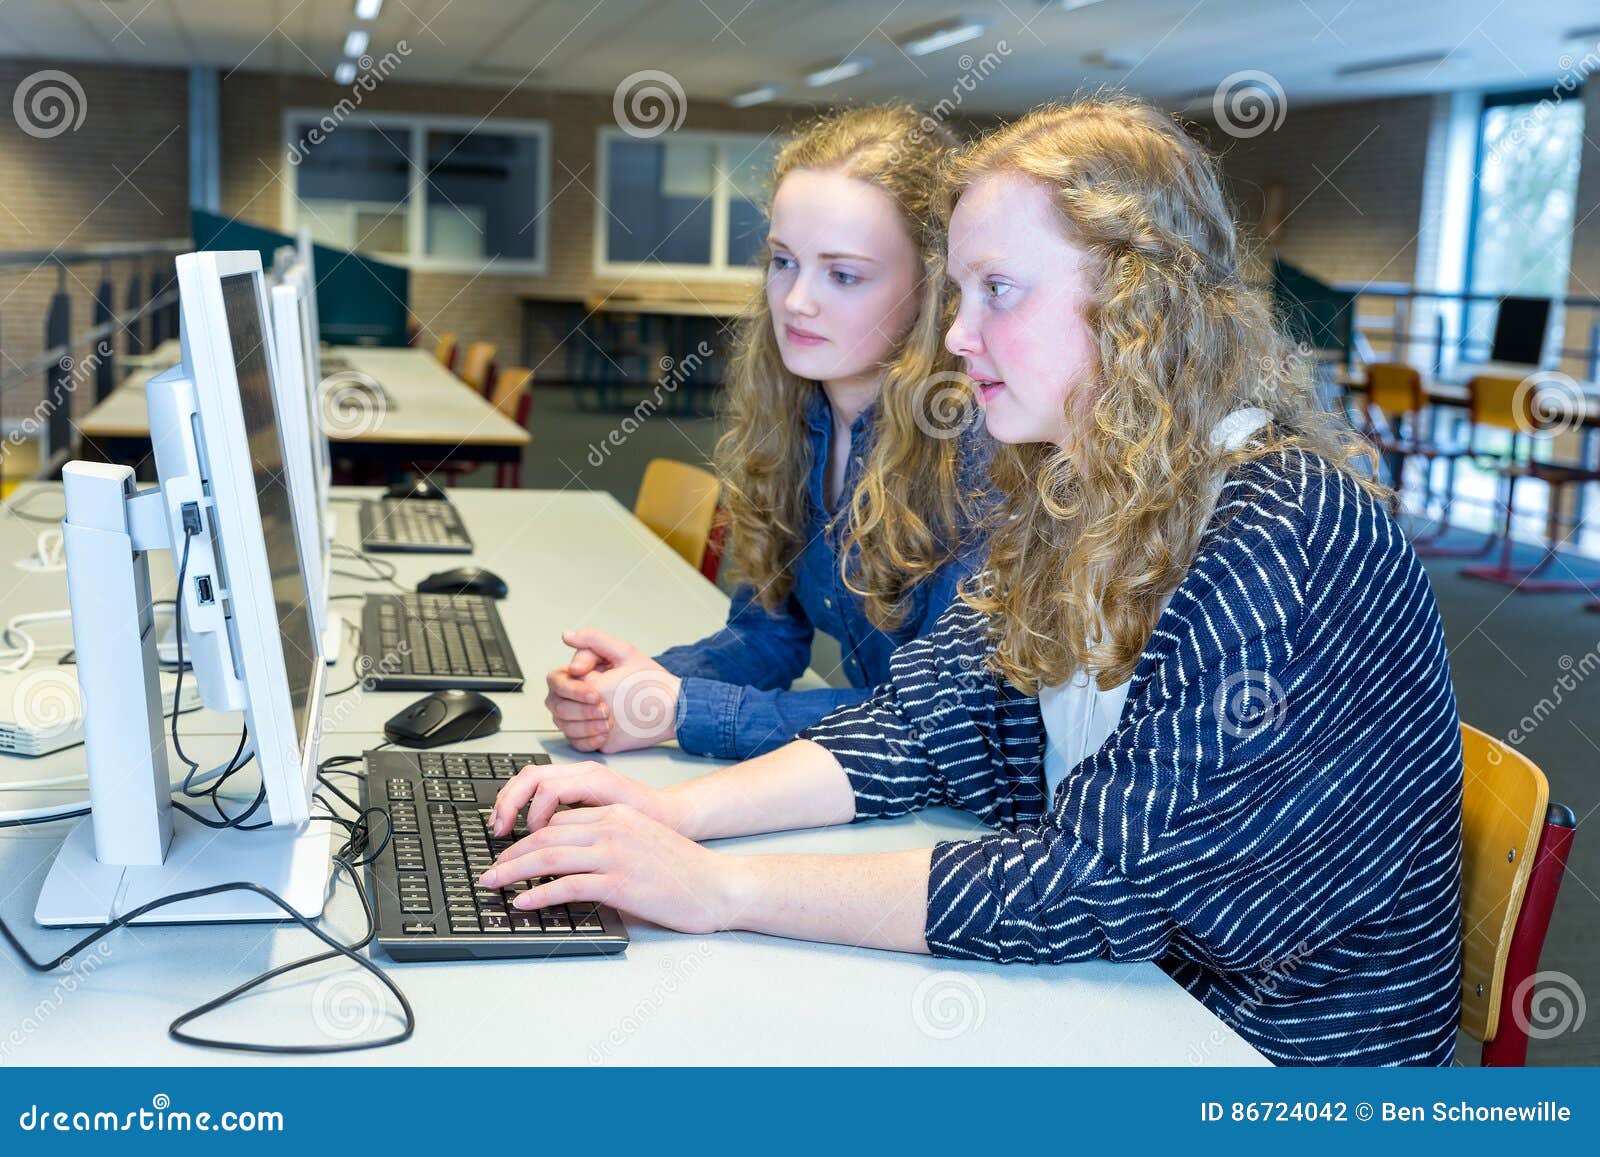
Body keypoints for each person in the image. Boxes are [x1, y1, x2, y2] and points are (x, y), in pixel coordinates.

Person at [497, 97, 1464, 1066]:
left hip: (1271, 1054)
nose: (956, 334)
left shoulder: (1281, 521)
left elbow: (1095, 883)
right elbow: (926, 722)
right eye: (958, 291)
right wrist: (675, 814)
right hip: (1141, 994)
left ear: (1137, 304)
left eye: (998, 288)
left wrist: (723, 890)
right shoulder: (1072, 483)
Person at [545, 105, 988, 761]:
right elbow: (767, 634)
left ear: (934, 288)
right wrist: (642, 683)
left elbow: (939, 723)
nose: (796, 300)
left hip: (973, 822)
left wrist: (684, 711)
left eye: (843, 274)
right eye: (784, 261)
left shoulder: (973, 455)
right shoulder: (796, 418)